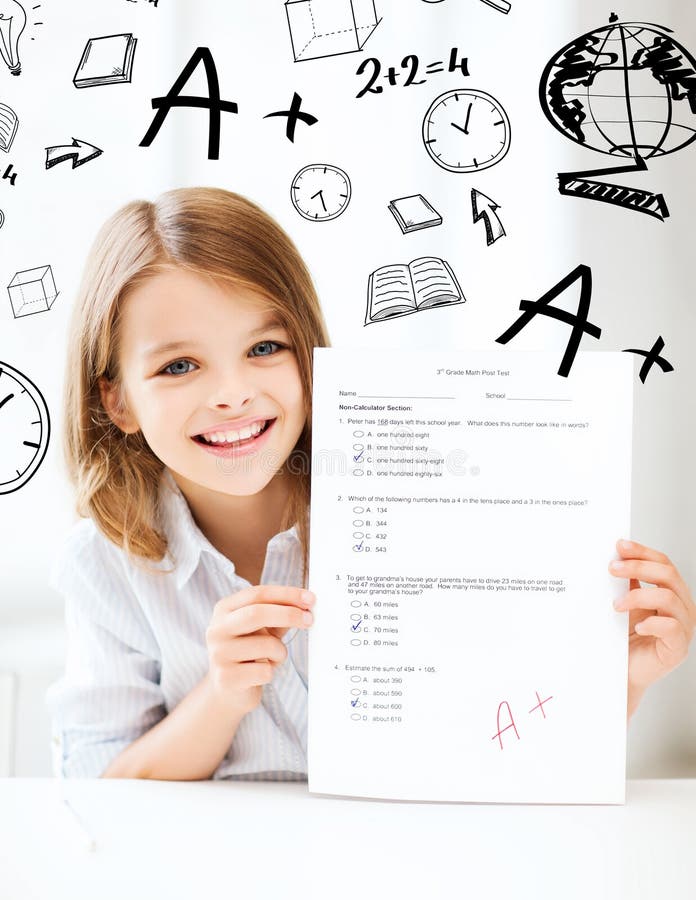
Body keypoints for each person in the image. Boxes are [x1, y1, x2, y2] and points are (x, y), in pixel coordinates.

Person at [46, 187, 695, 781]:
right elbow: (99, 788)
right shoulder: (107, 562)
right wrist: (220, 697)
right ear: (118, 400)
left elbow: (512, 747)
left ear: (309, 350)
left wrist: (622, 680)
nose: (233, 393)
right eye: (179, 365)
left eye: (265, 348)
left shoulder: (411, 498)